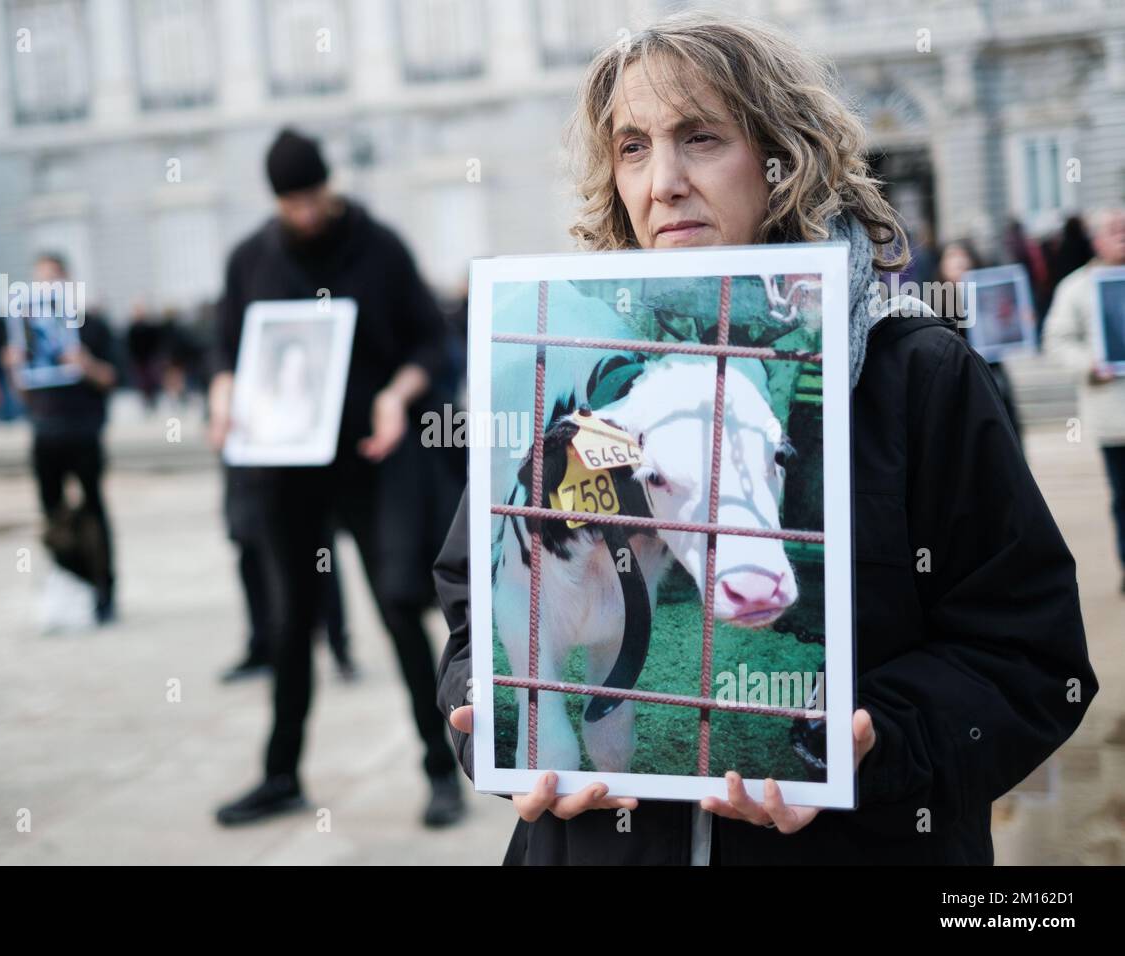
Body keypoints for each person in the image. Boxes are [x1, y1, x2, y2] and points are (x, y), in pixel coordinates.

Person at [434, 11, 1097, 865]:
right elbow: (473, 597)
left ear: (785, 158)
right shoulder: (573, 374)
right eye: (633, 147)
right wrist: (489, 721)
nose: (663, 181)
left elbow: (1032, 658)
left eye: (700, 137)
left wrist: (872, 743)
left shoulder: (916, 376)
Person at [210, 128, 464, 827]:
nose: (304, 210)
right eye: (290, 200)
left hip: (373, 461)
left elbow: (428, 342)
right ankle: (280, 774)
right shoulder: (251, 259)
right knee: (291, 621)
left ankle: (441, 767)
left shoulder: (379, 247)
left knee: (398, 605)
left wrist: (396, 395)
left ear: (329, 186)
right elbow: (228, 351)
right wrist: (223, 397)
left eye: (312, 195)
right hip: (287, 469)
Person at [4, 253, 120, 624]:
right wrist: (14, 370)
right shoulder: (27, 328)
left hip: (83, 431)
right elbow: (25, 392)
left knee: (93, 511)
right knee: (52, 516)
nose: (47, 286)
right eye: (41, 280)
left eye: (54, 278)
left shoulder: (92, 323)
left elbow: (113, 377)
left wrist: (85, 364)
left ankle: (104, 590)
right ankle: (68, 582)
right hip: (46, 433)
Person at [1042, 207, 1125, 595]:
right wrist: (1091, 365)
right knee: (1123, 497)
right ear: (1095, 239)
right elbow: (1057, 342)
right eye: (1113, 228)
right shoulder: (1076, 288)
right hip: (1113, 417)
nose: (1120, 233)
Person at [933, 239, 1023, 442]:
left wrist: (1019, 322)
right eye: (952, 256)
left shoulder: (988, 295)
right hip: (955, 377)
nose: (958, 262)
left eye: (962, 256)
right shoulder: (934, 302)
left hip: (990, 370)